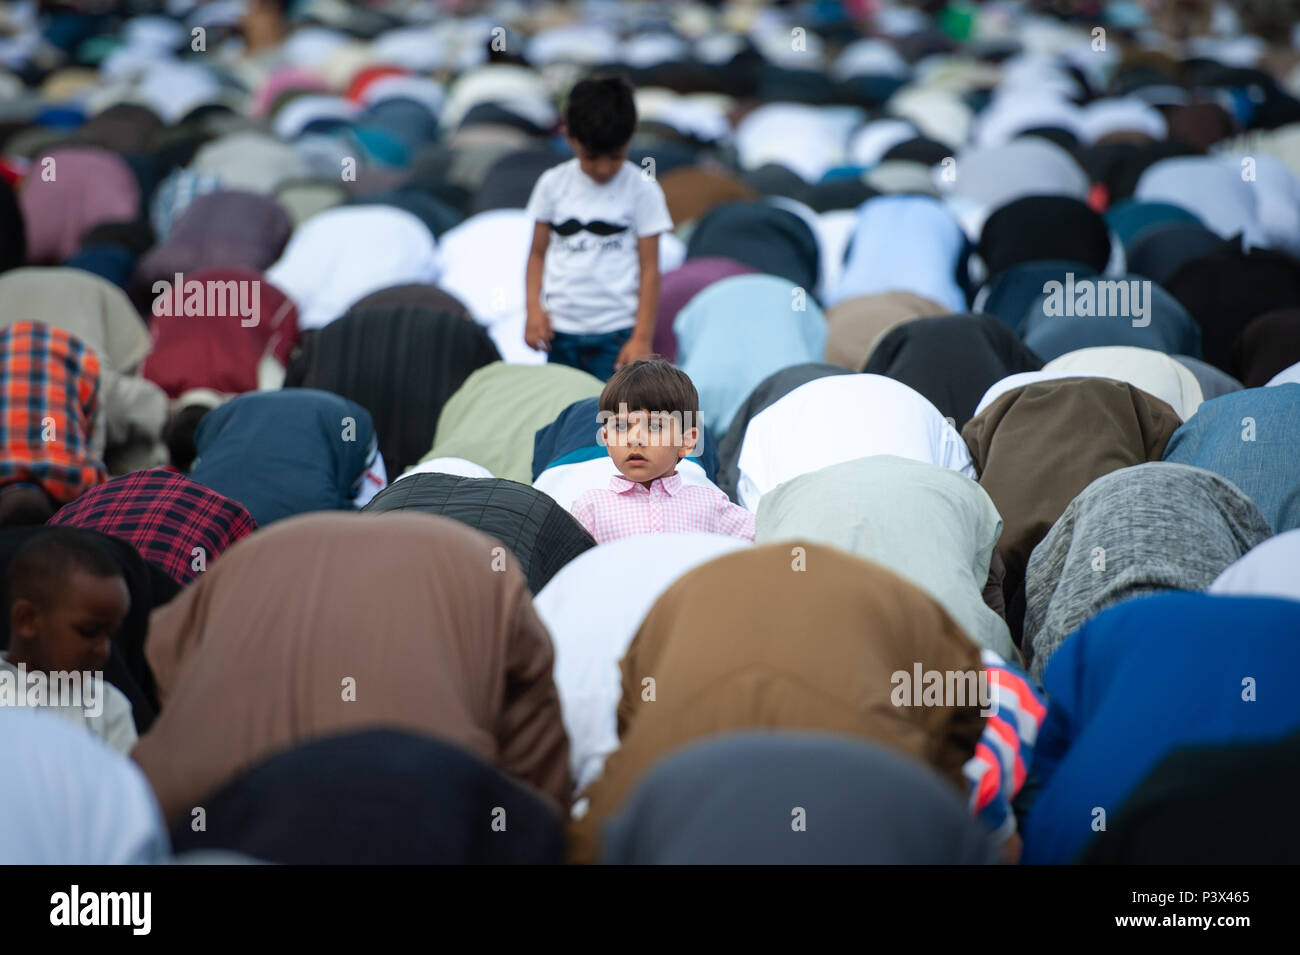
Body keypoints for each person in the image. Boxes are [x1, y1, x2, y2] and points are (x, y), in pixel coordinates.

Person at [523, 75, 673, 380]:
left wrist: (641, 337)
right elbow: (537, 254)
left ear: (631, 138)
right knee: (563, 411)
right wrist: (533, 311)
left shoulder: (643, 189)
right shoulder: (552, 184)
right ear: (569, 138)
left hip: (617, 334)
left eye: (615, 157)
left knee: (611, 415)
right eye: (592, 157)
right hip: (560, 331)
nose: (604, 169)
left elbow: (650, 269)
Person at [570, 360, 754, 544]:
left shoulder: (710, 504)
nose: (635, 439)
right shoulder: (591, 508)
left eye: (655, 426)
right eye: (620, 426)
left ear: (686, 442)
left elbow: (767, 540)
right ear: (607, 440)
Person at [1, 528, 137, 753]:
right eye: (89, 631)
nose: (104, 650)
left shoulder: (108, 706)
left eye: (110, 633)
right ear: (27, 620)